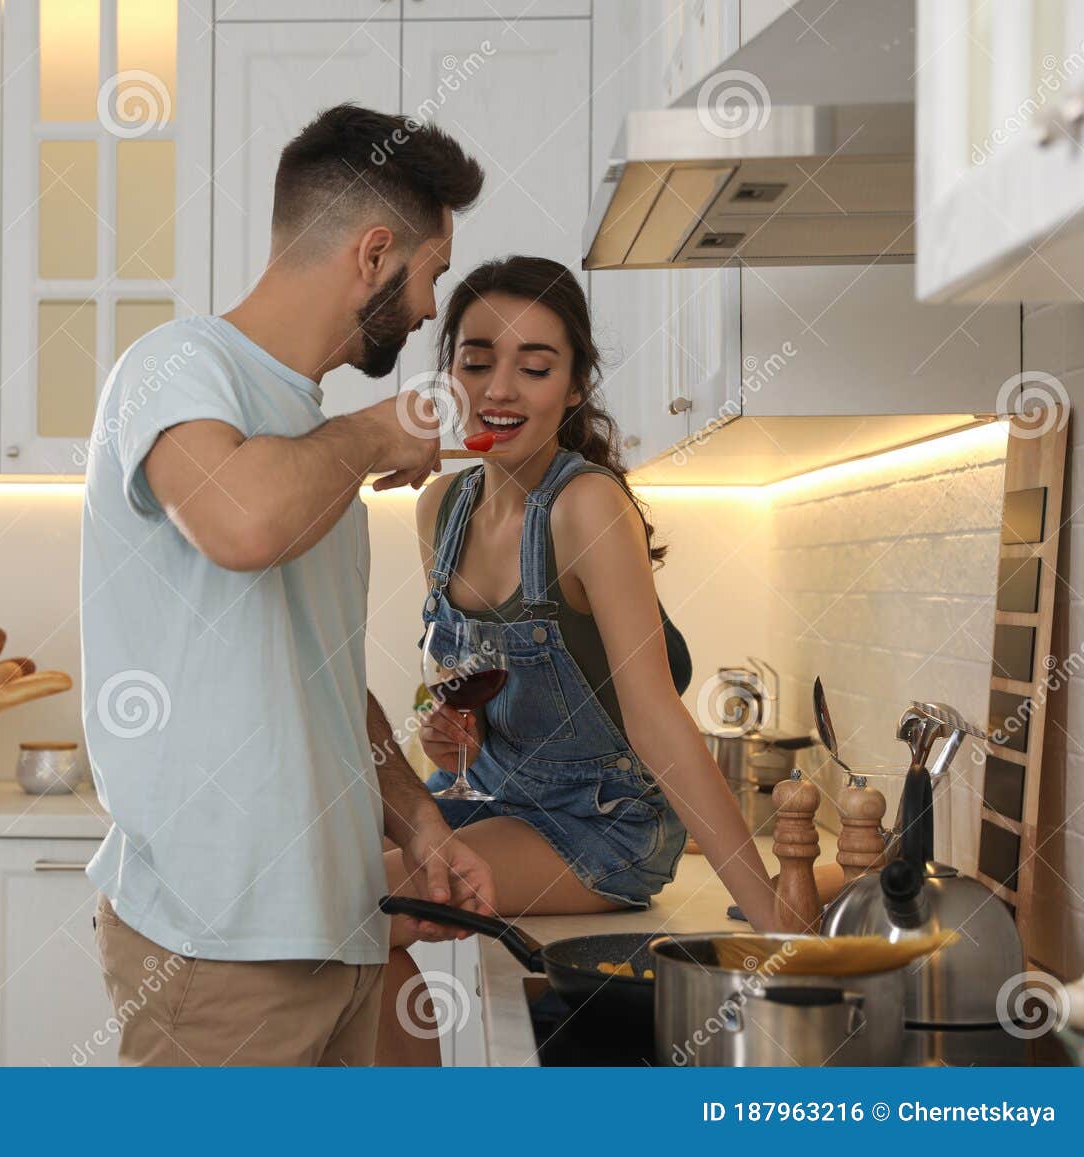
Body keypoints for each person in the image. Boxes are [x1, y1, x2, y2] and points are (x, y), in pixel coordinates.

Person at [80, 104, 497, 1066]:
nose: (429, 309)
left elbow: (322, 686)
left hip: (340, 930)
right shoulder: (179, 366)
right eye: (431, 272)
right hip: (220, 947)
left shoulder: (309, 431)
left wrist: (421, 824)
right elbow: (244, 524)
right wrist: (377, 430)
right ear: (375, 254)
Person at [377, 256, 780, 1064]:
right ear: (448, 373)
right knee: (318, 884)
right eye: (476, 361)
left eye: (535, 367)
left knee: (360, 900)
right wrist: (450, 731)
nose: (500, 388)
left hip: (600, 827)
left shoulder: (587, 507)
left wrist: (776, 927)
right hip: (494, 801)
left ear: (573, 387)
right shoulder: (439, 509)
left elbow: (657, 718)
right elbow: (452, 689)